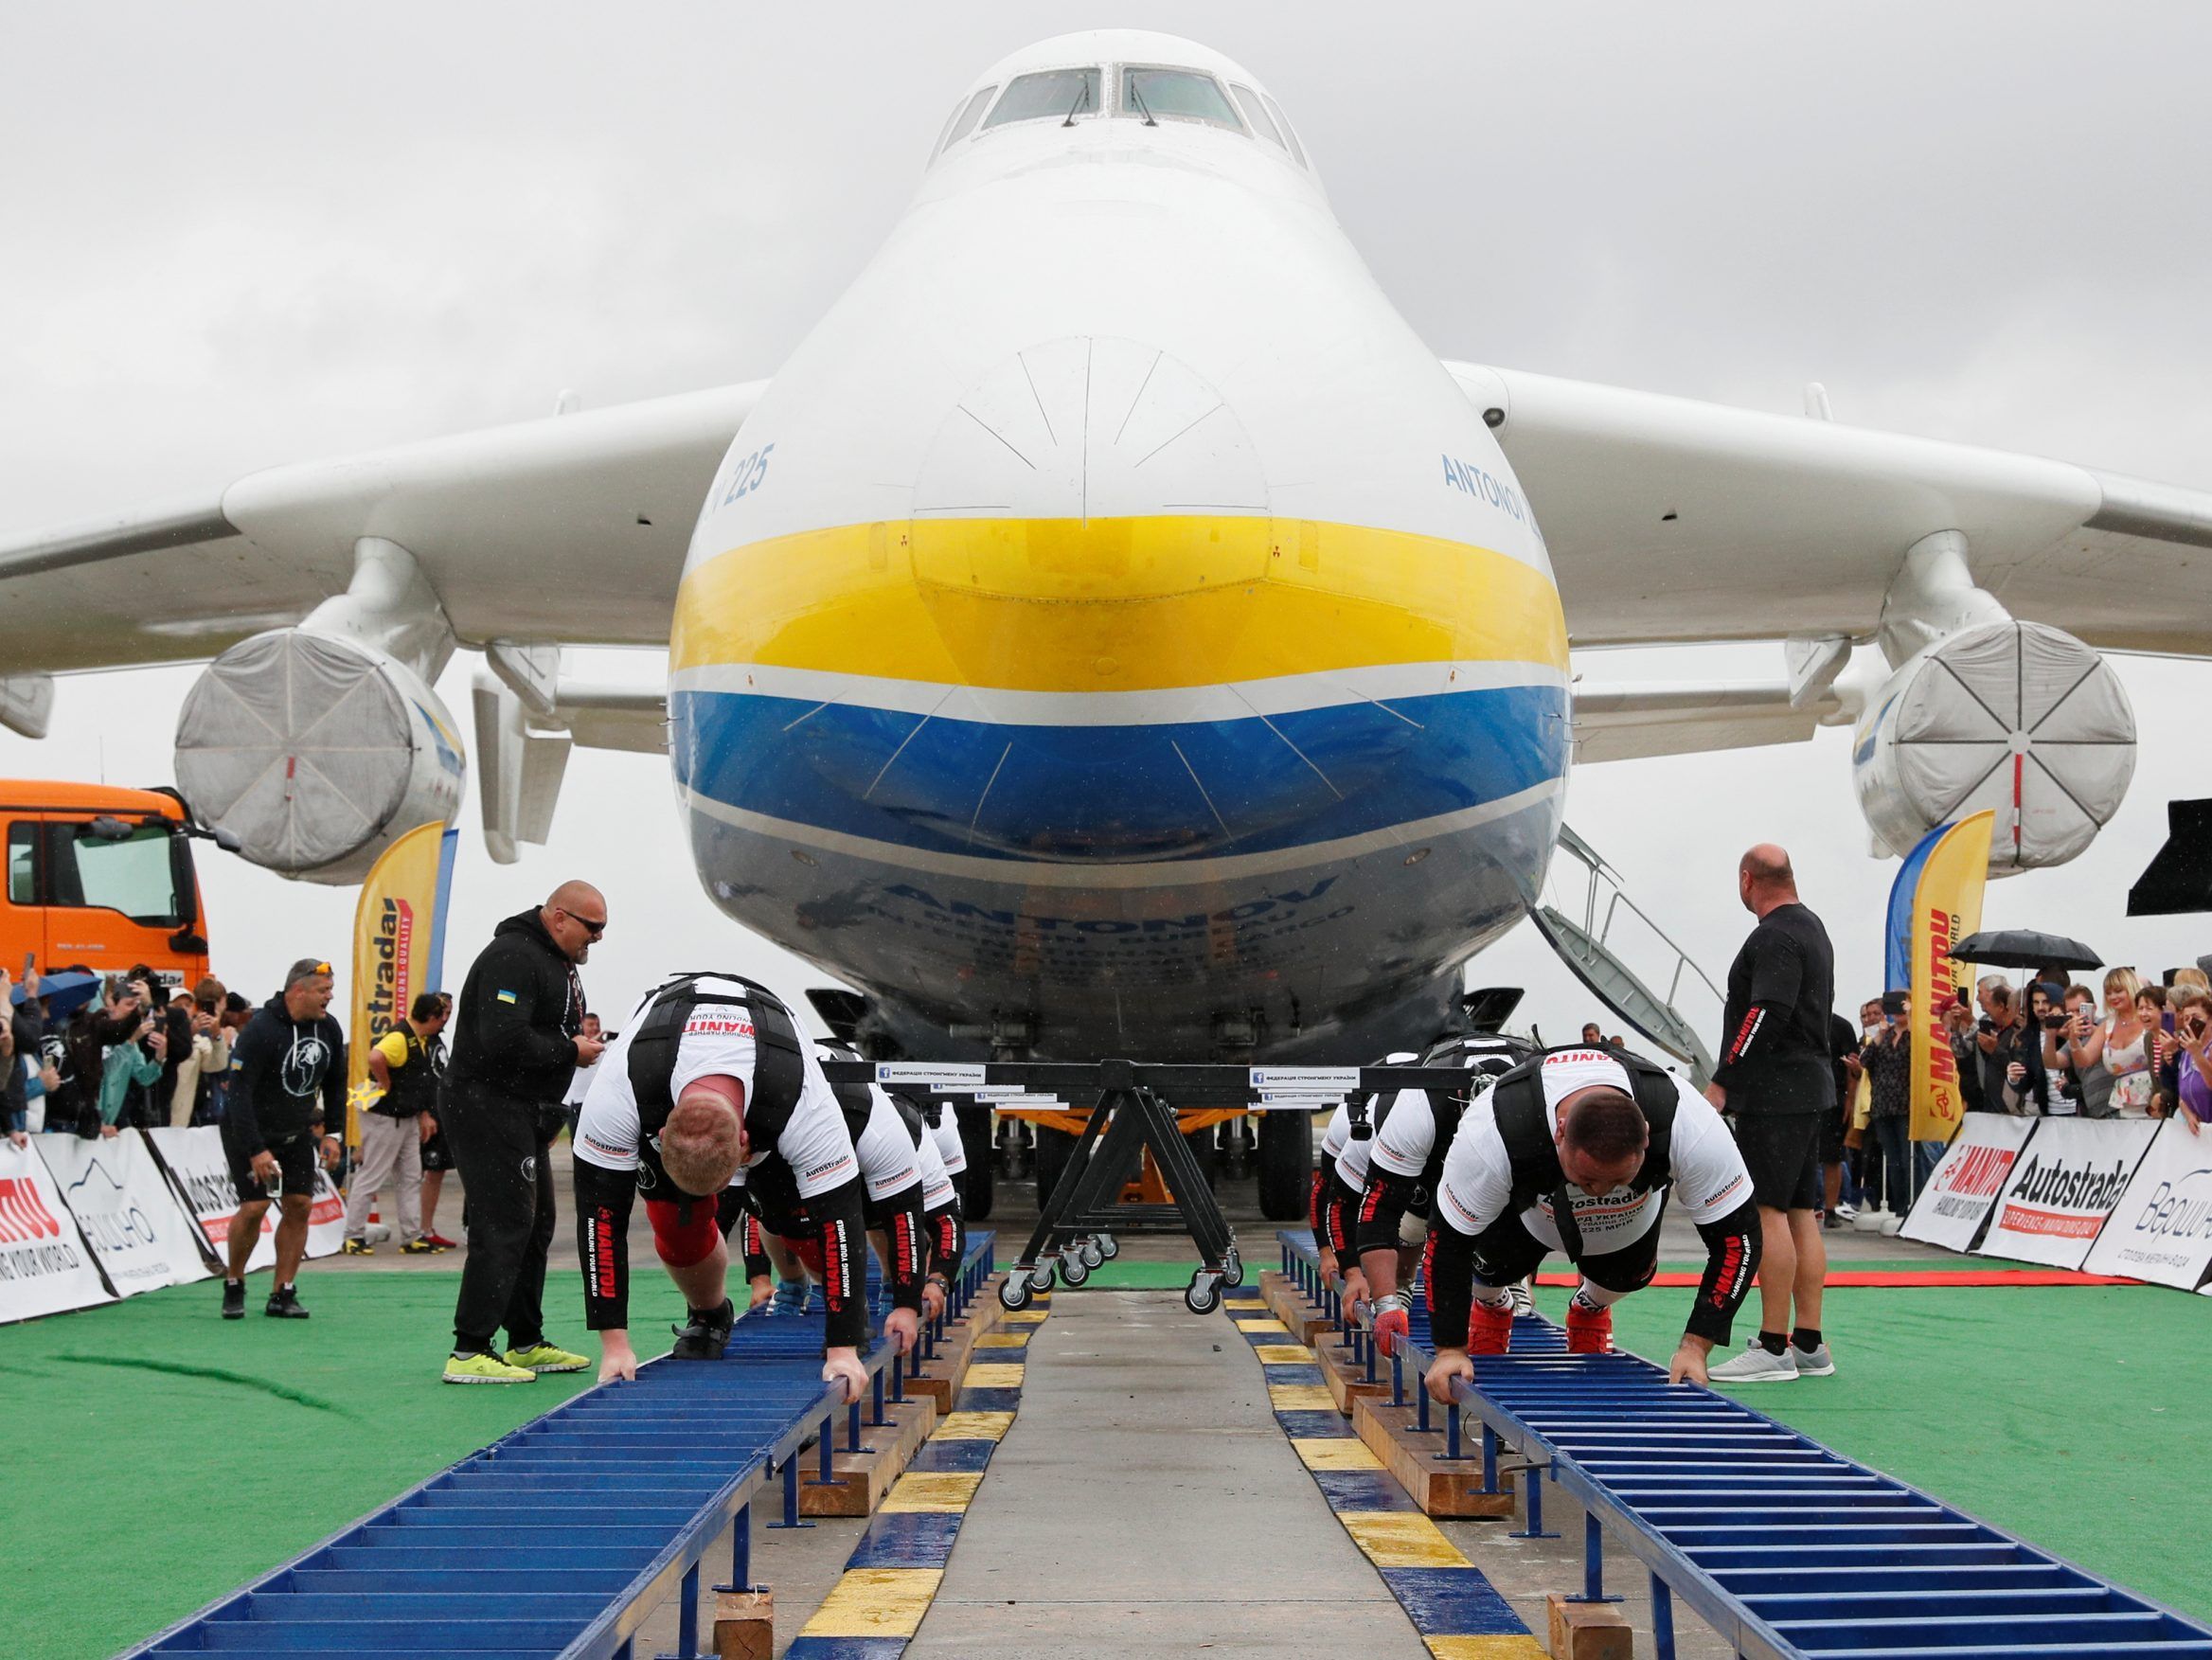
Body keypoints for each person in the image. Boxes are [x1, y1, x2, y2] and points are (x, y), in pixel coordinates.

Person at [572, 972, 919, 1394]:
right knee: (675, 1222)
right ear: (661, 1135)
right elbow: (599, 1222)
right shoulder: (617, 1094)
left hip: (767, 1060)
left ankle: (841, 1302)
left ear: (744, 1144)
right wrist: (615, 1343)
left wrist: (842, 1346)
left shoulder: (804, 1103)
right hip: (668, 1047)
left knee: (804, 1224)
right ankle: (709, 1312)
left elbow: (841, 1223)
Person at [1422, 1044, 1761, 1401]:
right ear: (1561, 1133)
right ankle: (1492, 1303)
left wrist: (1696, 1345)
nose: (1598, 1192)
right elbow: (1447, 1242)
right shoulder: (1493, 1127)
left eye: (1615, 1179)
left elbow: (1739, 1239)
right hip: (1525, 1211)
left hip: (1626, 1221)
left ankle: (1591, 1305)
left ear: (1647, 1135)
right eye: (1587, 1178)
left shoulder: (1687, 1121)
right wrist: (1449, 1350)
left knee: (1630, 1276)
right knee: (1486, 1269)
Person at [441, 883, 604, 1383]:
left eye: (602, 930)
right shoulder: (513, 956)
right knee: (504, 1223)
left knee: (536, 1225)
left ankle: (524, 1341)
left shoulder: (557, 962)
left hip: (525, 1110)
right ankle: (469, 1351)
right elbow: (501, 1037)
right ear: (558, 917)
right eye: (591, 928)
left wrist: (574, 1048)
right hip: (485, 1105)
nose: (596, 939)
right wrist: (569, 1051)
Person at [1704, 845, 1839, 1384]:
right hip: (1811, 1088)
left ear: (1747, 880)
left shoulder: (1774, 935)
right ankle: (1809, 1341)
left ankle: (1774, 1345)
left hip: (1777, 1093)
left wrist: (1724, 1080)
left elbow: (1767, 1011)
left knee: (1767, 1211)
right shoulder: (1813, 927)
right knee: (1801, 1211)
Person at [1342, 1034, 1533, 1349]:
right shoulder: (1414, 1109)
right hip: (1431, 1163)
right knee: (1416, 1220)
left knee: (1529, 1202)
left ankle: (1509, 1280)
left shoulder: (1537, 1108)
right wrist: (1381, 1295)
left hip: (1515, 1155)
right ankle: (1404, 1282)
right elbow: (1375, 1208)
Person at [219, 959, 345, 1319]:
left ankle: (282, 1292)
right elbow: (238, 1094)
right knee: (255, 1207)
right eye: (323, 991)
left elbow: (337, 1083)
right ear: (298, 991)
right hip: (249, 1130)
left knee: (300, 1206)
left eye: (331, 989)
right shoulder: (260, 1030)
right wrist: (257, 1149)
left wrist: (333, 1133)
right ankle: (234, 1281)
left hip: (295, 1132)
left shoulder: (329, 1029)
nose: (330, 997)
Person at [342, 991, 450, 1255]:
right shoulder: (400, 1037)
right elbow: (375, 1057)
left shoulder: (421, 1039)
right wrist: (386, 1083)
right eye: (442, 1017)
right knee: (372, 1175)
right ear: (431, 1017)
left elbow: (418, 1079)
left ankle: (412, 1235)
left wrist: (423, 1113)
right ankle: (353, 1235)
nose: (444, 1022)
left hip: (407, 1117)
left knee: (411, 1177)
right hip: (385, 1118)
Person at [1860, 991, 1914, 1214]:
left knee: (1906, 1157)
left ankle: (1910, 1204)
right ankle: (1898, 1205)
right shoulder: (1885, 1033)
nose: (1897, 1012)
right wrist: (1880, 1036)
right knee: (1891, 1159)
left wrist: (1911, 1018)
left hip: (1905, 1103)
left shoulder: (1915, 1034)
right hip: (1883, 1103)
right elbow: (1865, 1061)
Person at [418, 991, 458, 1248]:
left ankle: (426, 1227)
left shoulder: (438, 1042)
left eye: (449, 1013)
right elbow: (415, 1079)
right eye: (442, 1012)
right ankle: (418, 1229)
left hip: (442, 1114)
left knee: (436, 1172)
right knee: (415, 1173)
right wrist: (423, 1112)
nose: (445, 1018)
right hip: (421, 1117)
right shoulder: (417, 1039)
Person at [1973, 978, 2047, 1116]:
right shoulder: (2008, 1032)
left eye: (2009, 1007)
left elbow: (2017, 1066)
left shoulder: (2026, 1036)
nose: (2007, 1011)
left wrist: (1996, 1050)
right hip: (1998, 1108)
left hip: (2016, 1110)